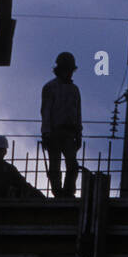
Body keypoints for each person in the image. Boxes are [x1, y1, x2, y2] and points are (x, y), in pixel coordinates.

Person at [41, 51, 83, 198]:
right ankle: (58, 193)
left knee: (73, 166)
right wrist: (46, 133)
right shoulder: (50, 88)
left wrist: (79, 134)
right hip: (54, 133)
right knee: (55, 167)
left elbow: (78, 114)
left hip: (69, 133)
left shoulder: (74, 90)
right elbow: (46, 112)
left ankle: (68, 192)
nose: (69, 73)